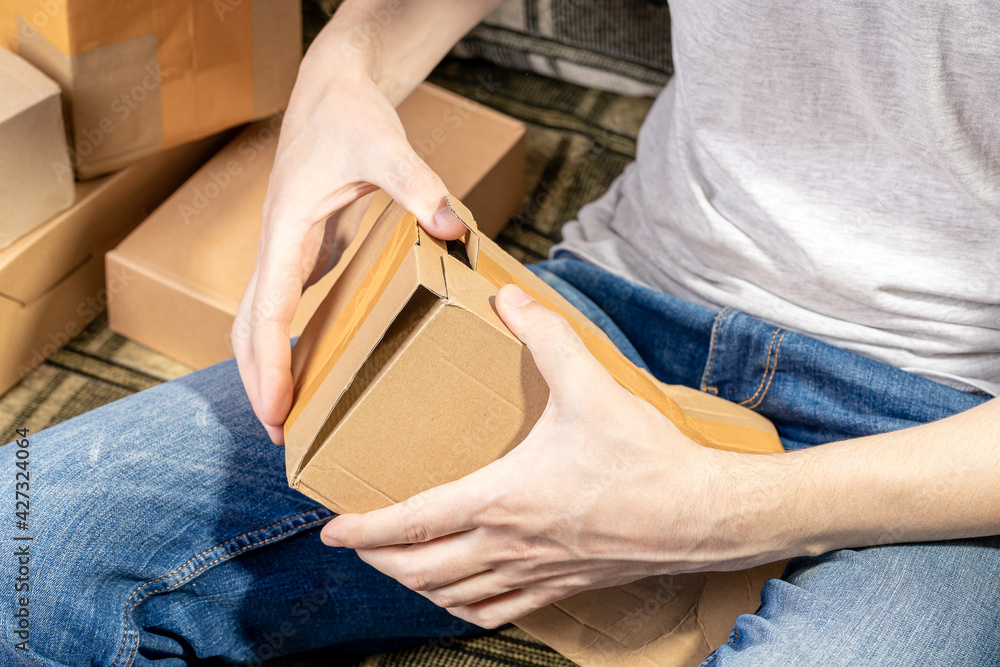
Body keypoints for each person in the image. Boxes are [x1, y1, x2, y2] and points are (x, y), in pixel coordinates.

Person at [3, 0, 998, 665]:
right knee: (23, 553)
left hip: (942, 445)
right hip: (616, 302)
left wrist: (722, 510)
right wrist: (343, 71)